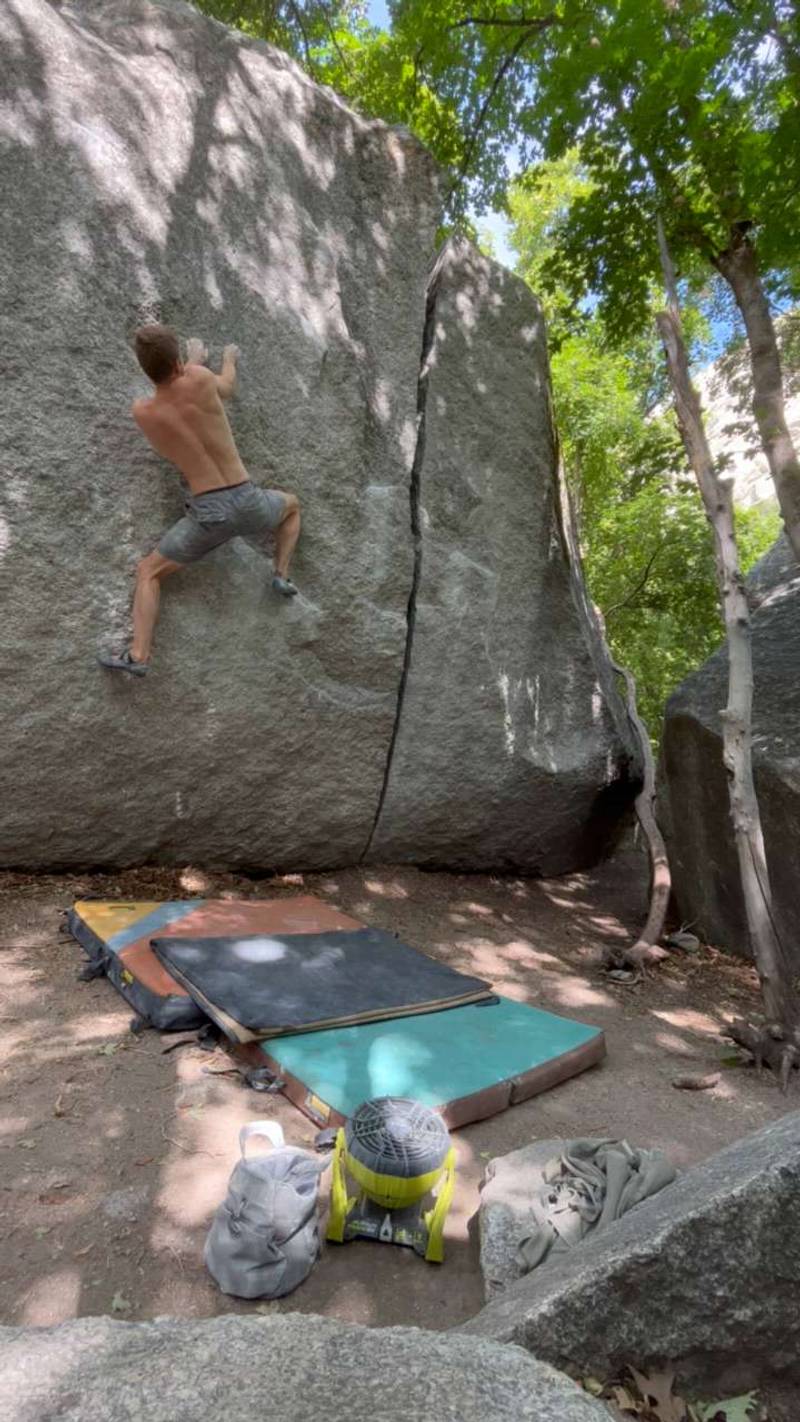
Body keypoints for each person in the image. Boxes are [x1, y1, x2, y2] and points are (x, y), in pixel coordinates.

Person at [98, 324, 301, 677]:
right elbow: (226, 387)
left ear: (145, 370)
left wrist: (186, 363)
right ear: (178, 360)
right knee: (292, 506)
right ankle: (280, 575)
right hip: (249, 501)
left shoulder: (143, 412)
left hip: (209, 515)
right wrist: (228, 359)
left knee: (149, 572)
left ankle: (139, 656)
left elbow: (171, 397)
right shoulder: (200, 377)